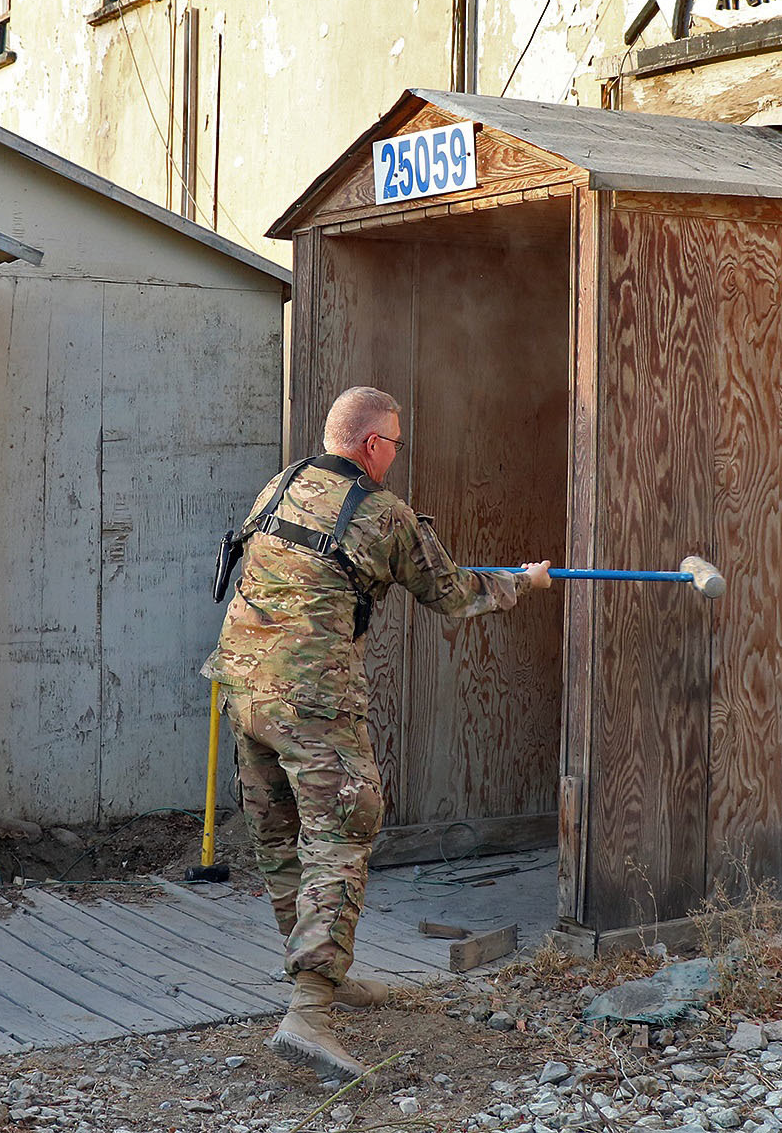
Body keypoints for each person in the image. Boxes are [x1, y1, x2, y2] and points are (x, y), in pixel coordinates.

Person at [206, 386, 554, 1080]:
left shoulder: (283, 483)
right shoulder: (383, 513)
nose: (395, 453)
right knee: (341, 835)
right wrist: (524, 582)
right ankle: (310, 1010)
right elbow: (452, 592)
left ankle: (318, 980)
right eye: (394, 442)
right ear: (372, 444)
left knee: (280, 839)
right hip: (314, 700)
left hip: (243, 691)